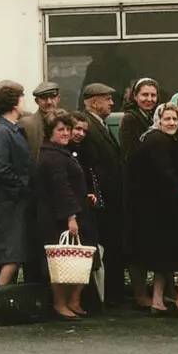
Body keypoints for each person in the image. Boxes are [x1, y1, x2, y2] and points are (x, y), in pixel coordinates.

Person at [128, 103, 178, 318]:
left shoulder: (162, 140)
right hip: (168, 208)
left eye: (174, 119)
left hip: (162, 208)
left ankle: (157, 302)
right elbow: (165, 174)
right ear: (158, 121)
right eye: (167, 119)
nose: (172, 123)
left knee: (164, 259)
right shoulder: (158, 142)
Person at [36, 112, 96, 320]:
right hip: (58, 218)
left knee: (76, 258)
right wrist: (71, 216)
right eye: (60, 129)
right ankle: (61, 304)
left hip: (72, 212)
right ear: (50, 132)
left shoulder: (62, 152)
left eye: (67, 129)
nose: (65, 133)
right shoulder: (53, 156)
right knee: (61, 262)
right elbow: (60, 188)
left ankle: (73, 301)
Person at [76, 83, 124, 307]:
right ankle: (104, 297)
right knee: (104, 247)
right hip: (101, 200)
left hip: (109, 198)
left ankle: (111, 294)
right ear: (94, 102)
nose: (112, 103)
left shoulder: (99, 125)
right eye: (107, 99)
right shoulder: (88, 127)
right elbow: (91, 164)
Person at [0, 82, 32, 288]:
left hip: (15, 199)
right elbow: (0, 167)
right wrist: (22, 186)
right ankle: (0, 298)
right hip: (8, 201)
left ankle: (4, 298)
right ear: (14, 102)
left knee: (15, 253)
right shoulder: (0, 130)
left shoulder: (11, 128)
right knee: (12, 253)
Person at [119, 77, 159, 308]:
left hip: (151, 191)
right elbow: (131, 155)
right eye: (144, 95)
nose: (149, 99)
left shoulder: (151, 118)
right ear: (135, 96)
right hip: (136, 190)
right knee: (136, 243)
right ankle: (140, 294)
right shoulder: (130, 119)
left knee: (148, 243)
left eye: (153, 95)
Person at [20, 81, 61, 162]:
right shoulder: (26, 124)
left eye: (52, 97)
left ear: (58, 98)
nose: (49, 102)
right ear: (36, 101)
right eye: (44, 98)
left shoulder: (67, 122)